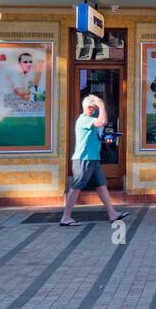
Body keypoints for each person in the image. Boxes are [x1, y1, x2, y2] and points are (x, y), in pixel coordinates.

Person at [60, 95, 129, 226]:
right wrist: (101, 104)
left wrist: (107, 138)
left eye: (95, 108)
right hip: (83, 159)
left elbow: (103, 122)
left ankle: (112, 214)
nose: (93, 110)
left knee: (102, 186)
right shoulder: (83, 120)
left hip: (94, 159)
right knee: (76, 187)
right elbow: (102, 121)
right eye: (91, 108)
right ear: (86, 108)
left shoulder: (91, 120)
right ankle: (66, 217)